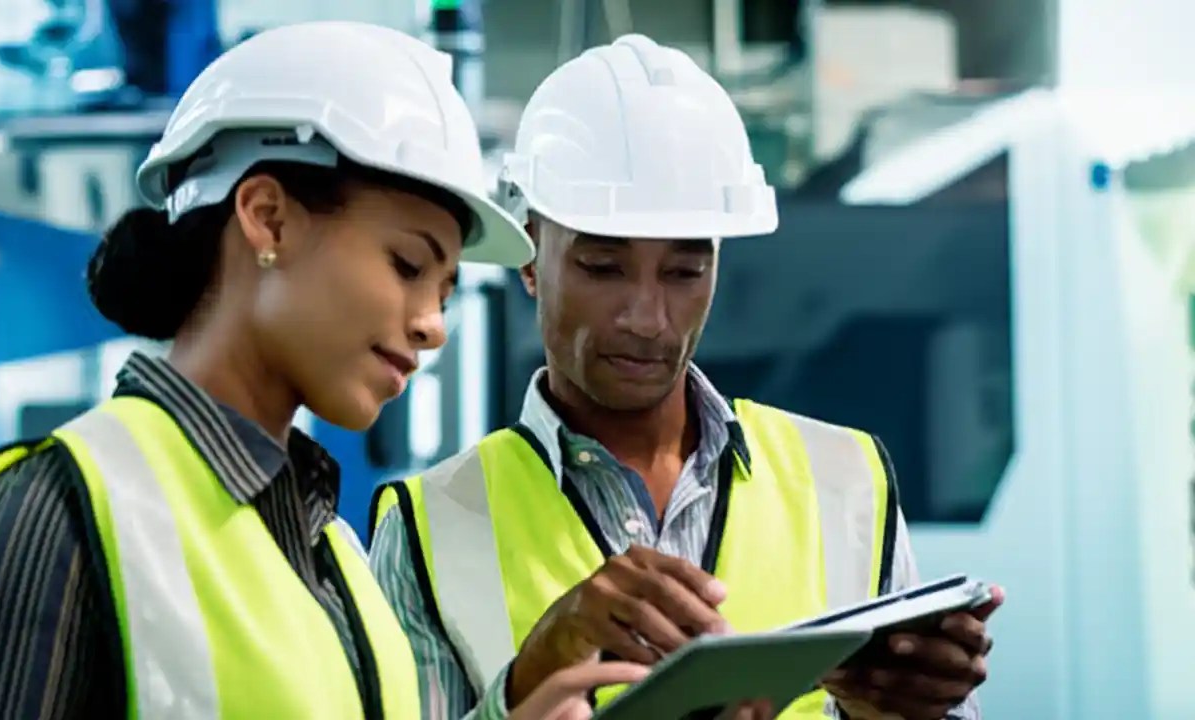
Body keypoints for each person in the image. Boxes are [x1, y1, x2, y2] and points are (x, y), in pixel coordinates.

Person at [0, 21, 642, 720]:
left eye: (445, 291)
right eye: (407, 265)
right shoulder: (57, 511)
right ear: (268, 216)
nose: (433, 325)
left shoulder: (334, 555)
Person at [368, 34, 1002, 720]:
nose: (648, 318)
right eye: (602, 268)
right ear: (528, 255)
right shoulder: (428, 527)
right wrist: (532, 681)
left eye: (684, 272)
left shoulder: (847, 480)